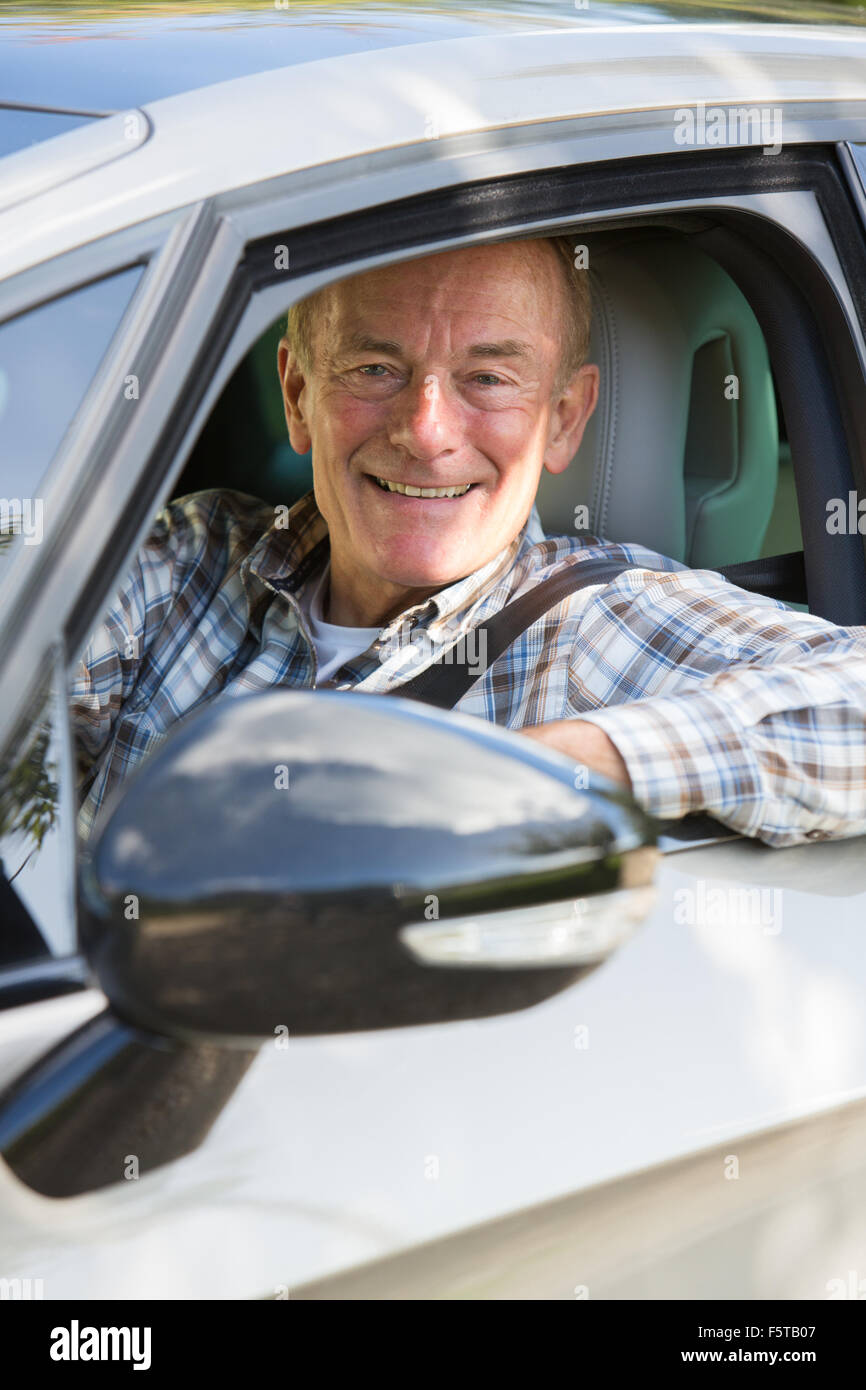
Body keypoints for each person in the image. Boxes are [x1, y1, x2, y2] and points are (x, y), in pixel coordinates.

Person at [70, 236, 866, 847]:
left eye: (487, 379)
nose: (425, 432)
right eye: (376, 366)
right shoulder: (189, 557)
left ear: (563, 420)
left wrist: (561, 763)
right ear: (297, 394)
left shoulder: (597, 625)